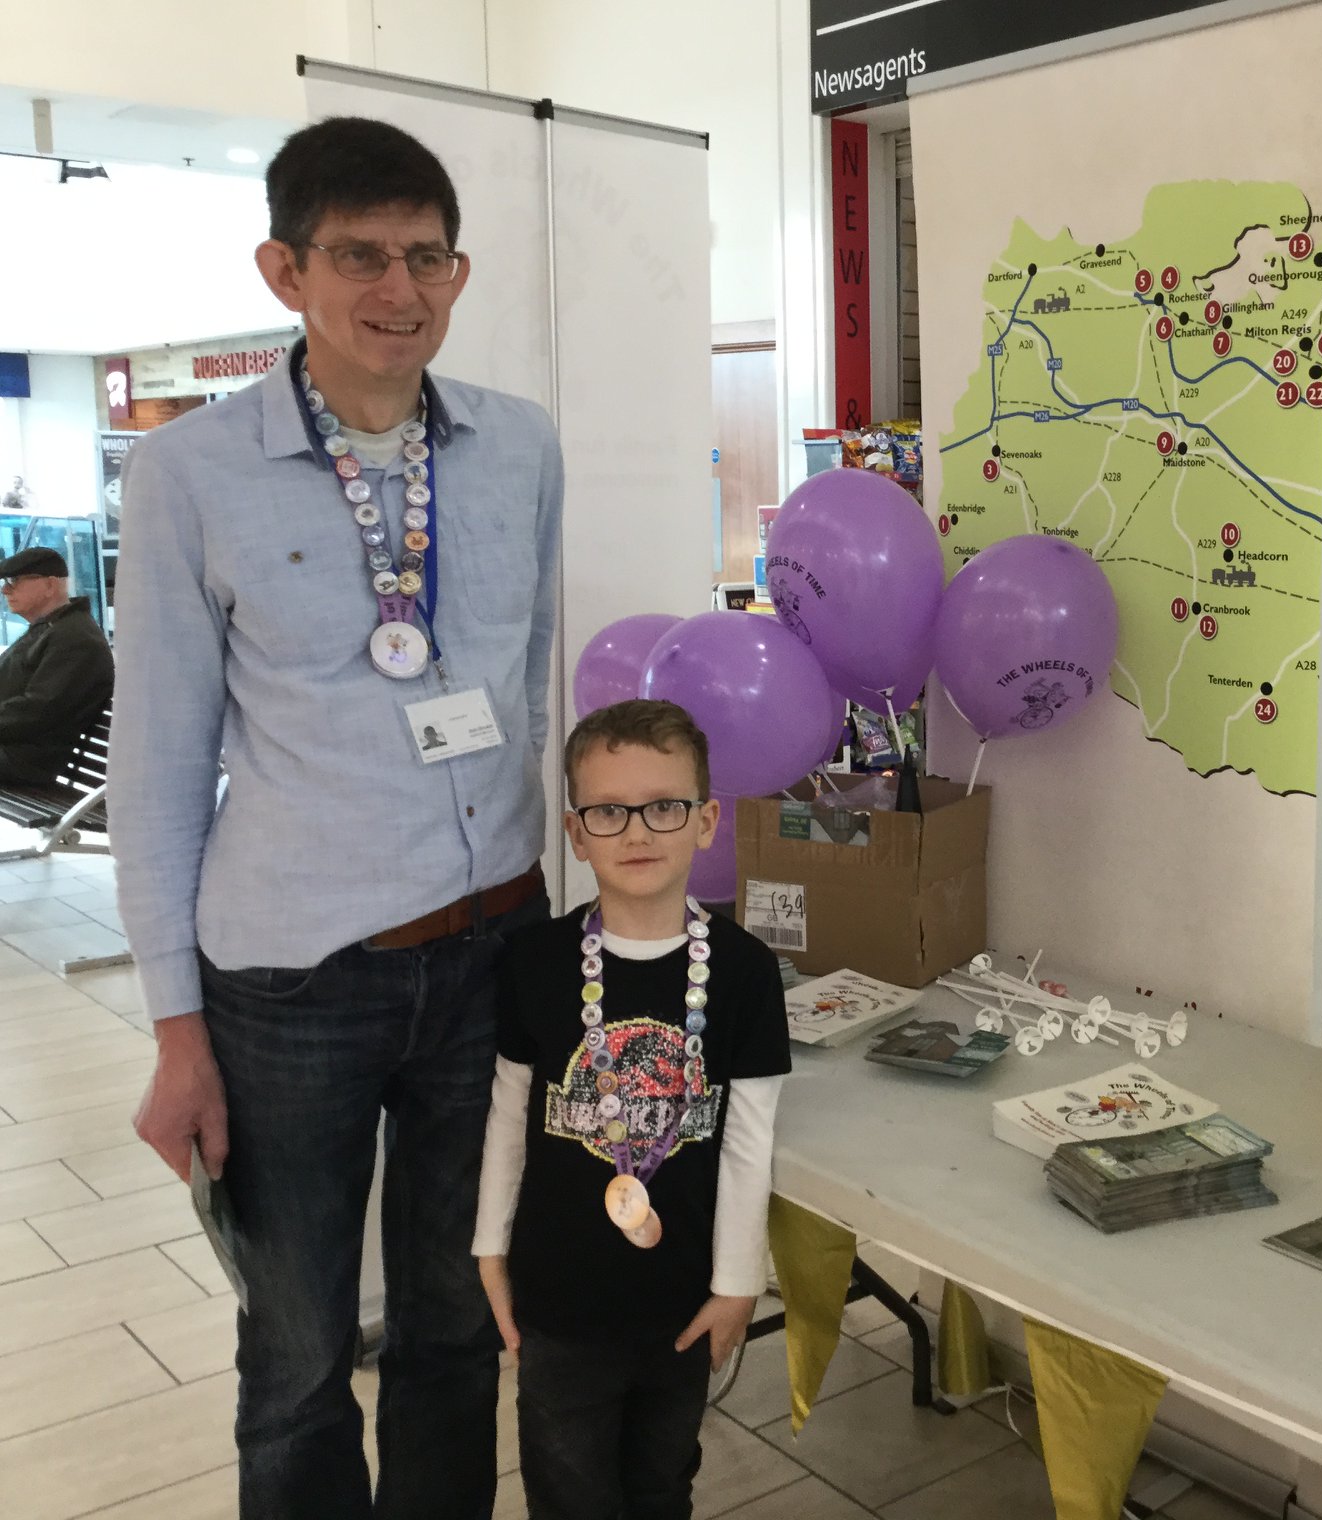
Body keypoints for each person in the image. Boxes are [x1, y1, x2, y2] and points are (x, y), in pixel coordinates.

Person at [111, 116, 564, 1520]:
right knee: (300, 1350)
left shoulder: (521, 447)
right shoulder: (189, 475)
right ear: (284, 269)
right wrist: (177, 1033)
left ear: (459, 272)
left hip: (491, 955)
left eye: (427, 256)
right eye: (359, 255)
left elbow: (529, 687)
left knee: (456, 1322)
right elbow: (161, 765)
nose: (399, 288)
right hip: (291, 982)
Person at [474, 700, 789, 1520]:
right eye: (609, 811)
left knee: (659, 1488)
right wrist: (489, 1251)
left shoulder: (747, 974)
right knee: (569, 1495)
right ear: (577, 832)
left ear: (707, 820)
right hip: (559, 1304)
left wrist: (736, 1286)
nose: (638, 831)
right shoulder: (535, 961)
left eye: (665, 806)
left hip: (680, 1305)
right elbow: (509, 1117)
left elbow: (750, 1145)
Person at [0, 546, 114, 785]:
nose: (5, 590)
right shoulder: (54, 628)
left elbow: (38, 710)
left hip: (23, 760)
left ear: (50, 586)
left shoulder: (77, 639)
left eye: (14, 581)